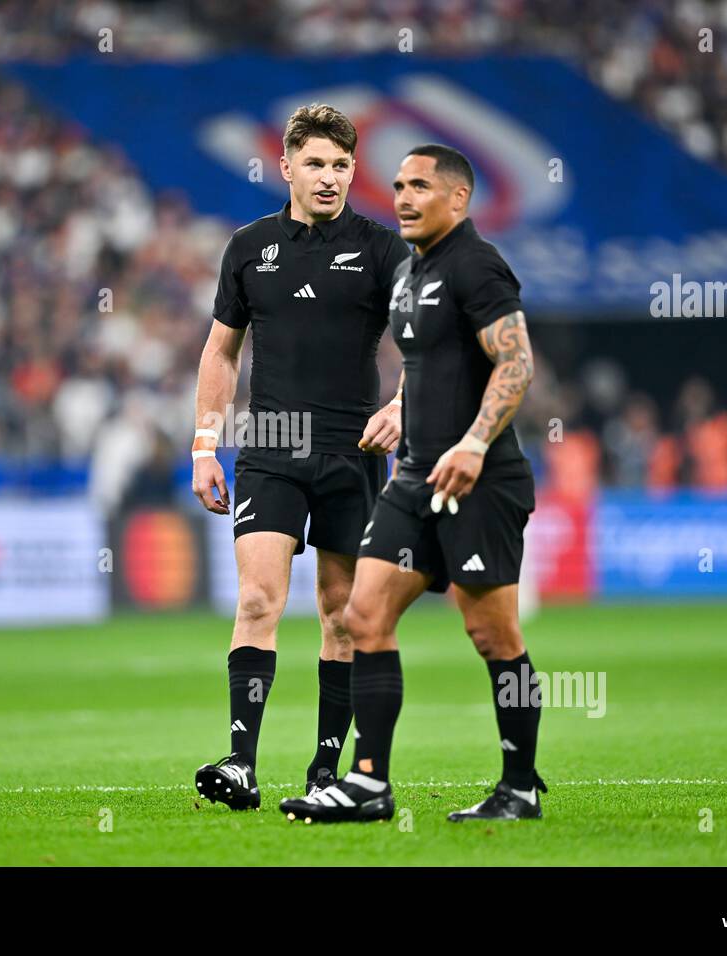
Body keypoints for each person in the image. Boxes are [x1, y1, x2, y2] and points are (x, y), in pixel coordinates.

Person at [279, 144, 545, 823]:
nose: (401, 196)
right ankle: (369, 783)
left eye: (419, 185)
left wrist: (476, 443)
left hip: (479, 480)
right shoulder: (411, 274)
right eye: (397, 184)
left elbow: (515, 363)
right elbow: (429, 367)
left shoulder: (477, 266)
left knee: (493, 635)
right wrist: (400, 409)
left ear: (458, 198)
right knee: (363, 615)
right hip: (415, 479)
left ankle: (518, 786)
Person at [191, 104, 411, 809]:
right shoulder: (249, 247)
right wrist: (205, 444)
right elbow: (220, 351)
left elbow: (425, 343)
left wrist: (403, 407)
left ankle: (325, 769)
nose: (329, 177)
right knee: (258, 597)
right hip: (271, 447)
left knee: (342, 614)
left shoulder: (383, 250)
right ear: (285, 166)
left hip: (353, 450)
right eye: (315, 163)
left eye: (342, 165)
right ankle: (241, 763)